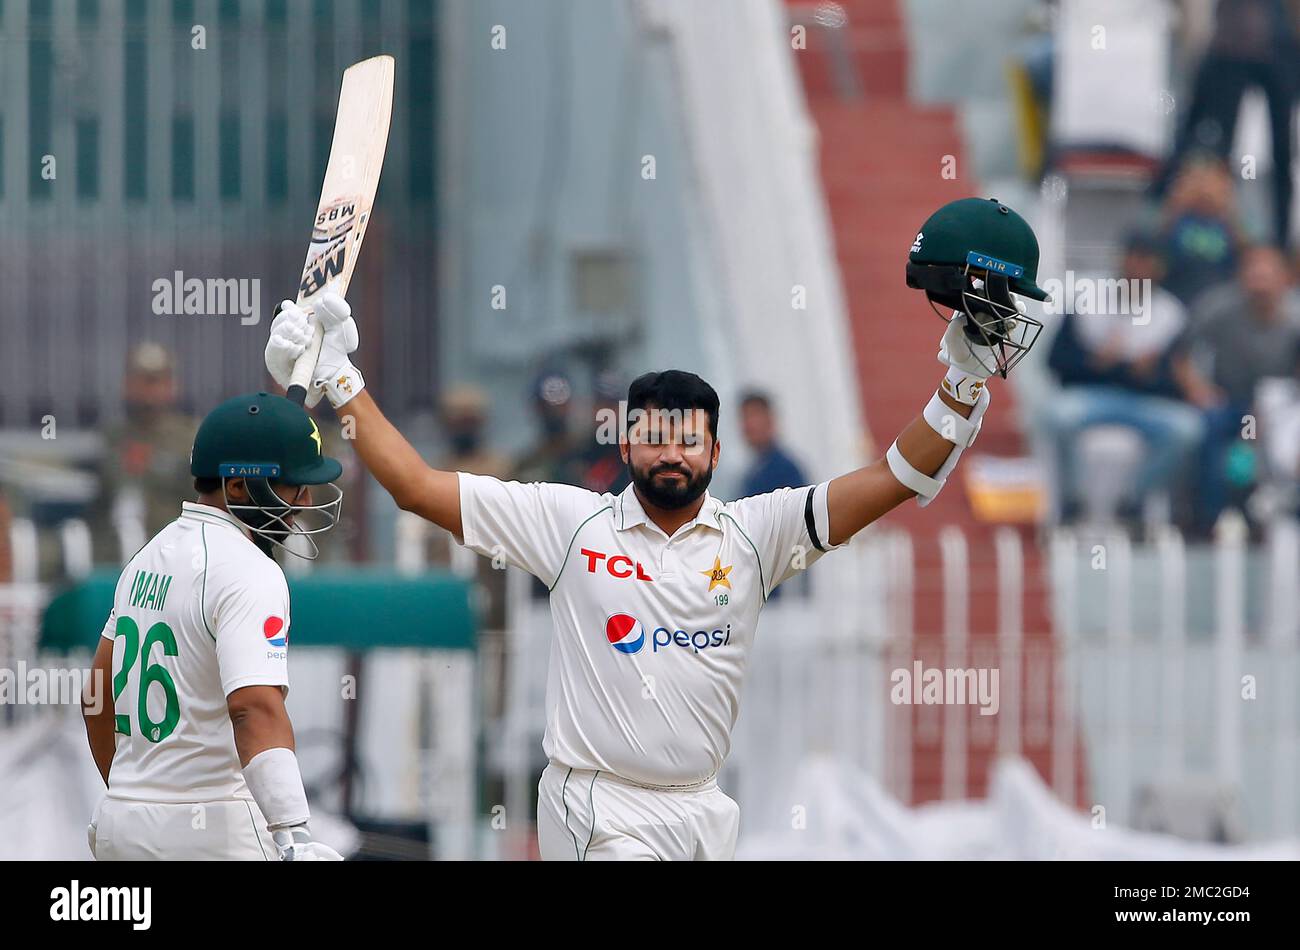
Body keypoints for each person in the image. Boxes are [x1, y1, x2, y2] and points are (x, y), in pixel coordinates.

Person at [266, 196, 1051, 861]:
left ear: (714, 448)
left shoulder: (755, 535)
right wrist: (342, 379)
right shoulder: (569, 524)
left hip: (702, 811)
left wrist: (961, 385)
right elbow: (412, 485)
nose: (671, 452)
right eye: (654, 435)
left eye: (688, 438)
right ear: (627, 443)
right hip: (595, 806)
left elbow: (893, 478)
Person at [81, 392, 345, 861]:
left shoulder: (147, 557)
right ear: (238, 487)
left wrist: (136, 795)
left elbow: (95, 694)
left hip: (121, 825)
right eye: (292, 484)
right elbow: (254, 708)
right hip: (214, 833)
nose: (304, 500)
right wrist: (293, 835)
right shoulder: (250, 570)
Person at [1042, 232, 1213, 523]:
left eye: (1147, 262)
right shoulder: (1089, 301)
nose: (1138, 269)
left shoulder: (1171, 315)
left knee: (1187, 430)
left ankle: (1134, 501)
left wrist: (1150, 374)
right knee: (1058, 416)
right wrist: (1096, 363)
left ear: (1160, 268)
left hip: (1145, 402)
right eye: (1133, 259)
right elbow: (1056, 360)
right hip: (1093, 396)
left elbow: (1176, 383)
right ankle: (1072, 501)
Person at [1150, 0, 1298, 249]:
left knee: (1280, 153)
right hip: (1231, 44)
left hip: (1271, 44)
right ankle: (1162, 226)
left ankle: (1276, 245)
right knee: (1210, 147)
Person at [1186, 243, 1300, 527]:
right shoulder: (1218, 308)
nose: (1259, 277)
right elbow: (1182, 353)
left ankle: (1265, 519)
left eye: (1268, 270)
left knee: (1257, 452)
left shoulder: (1295, 318)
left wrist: (1275, 408)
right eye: (1253, 268)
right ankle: (1213, 519)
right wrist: (1198, 389)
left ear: (1285, 276)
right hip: (1228, 403)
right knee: (1214, 432)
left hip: (1278, 406)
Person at [91, 343, 199, 564]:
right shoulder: (112, 436)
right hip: (113, 552)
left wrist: (156, 466)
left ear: (171, 385)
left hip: (176, 549)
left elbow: (202, 492)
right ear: (126, 384)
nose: (148, 391)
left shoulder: (190, 436)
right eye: (139, 380)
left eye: (155, 381)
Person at [739, 391, 808, 497]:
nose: (748, 425)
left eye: (754, 415)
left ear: (770, 420)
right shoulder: (752, 474)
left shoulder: (785, 470)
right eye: (745, 417)